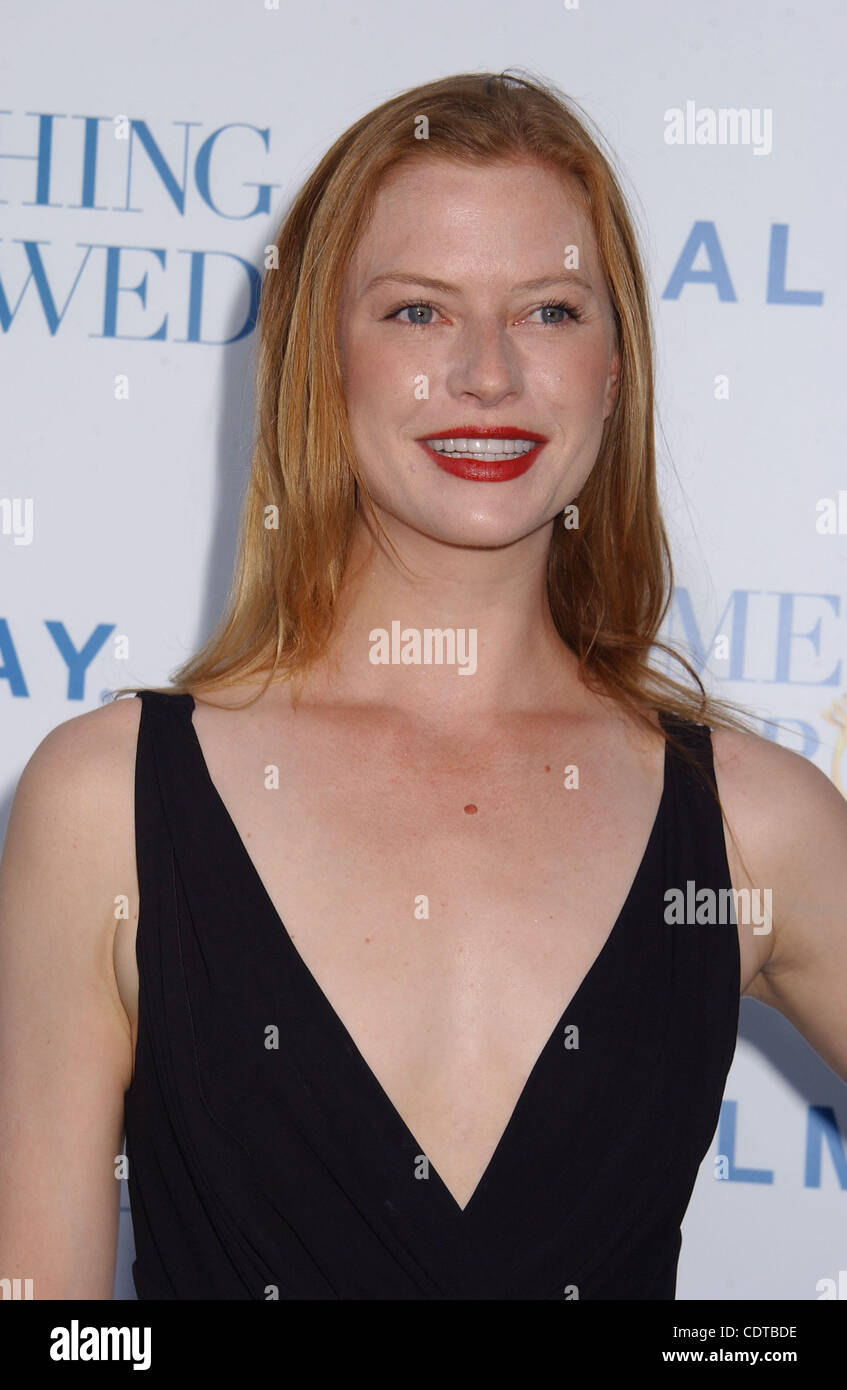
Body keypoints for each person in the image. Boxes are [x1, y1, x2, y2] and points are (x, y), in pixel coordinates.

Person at [1, 70, 845, 1301]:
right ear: (315, 359)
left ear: (617, 367)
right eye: (417, 313)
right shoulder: (108, 804)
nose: (489, 375)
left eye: (550, 311)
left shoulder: (753, 823)